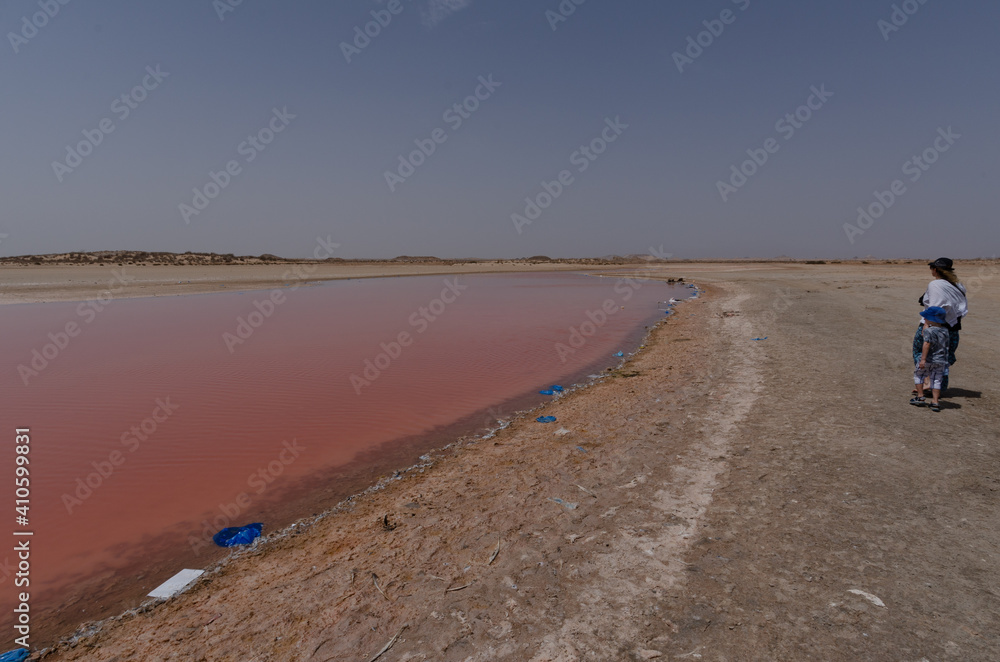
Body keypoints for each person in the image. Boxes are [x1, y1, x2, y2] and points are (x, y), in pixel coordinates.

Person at [912, 257, 968, 393]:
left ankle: (926, 382)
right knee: (943, 357)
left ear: (935, 270)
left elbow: (935, 309)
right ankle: (938, 387)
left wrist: (927, 326)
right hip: (952, 328)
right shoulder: (959, 285)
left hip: (934, 326)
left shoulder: (935, 285)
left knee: (920, 351)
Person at [910, 306, 950, 412]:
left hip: (929, 359)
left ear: (932, 319)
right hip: (941, 360)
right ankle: (935, 402)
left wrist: (923, 359)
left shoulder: (929, 331)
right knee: (937, 380)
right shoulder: (945, 331)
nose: (924, 319)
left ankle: (920, 397)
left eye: (926, 318)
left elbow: (926, 343)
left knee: (919, 375)